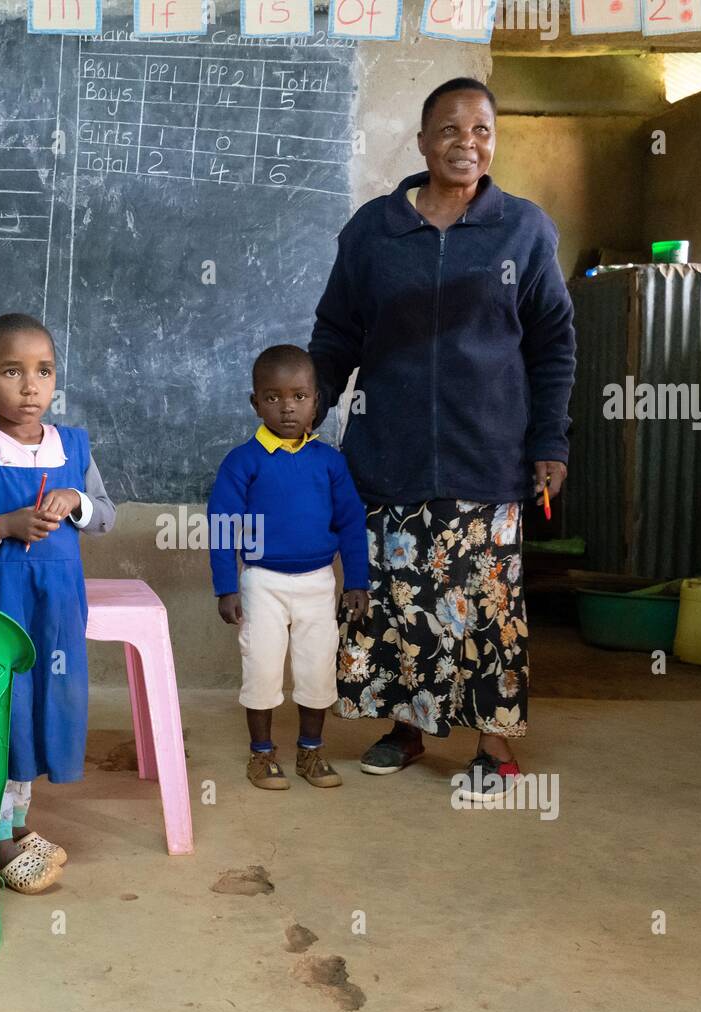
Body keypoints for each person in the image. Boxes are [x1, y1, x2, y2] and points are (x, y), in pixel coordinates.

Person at [308, 77, 576, 800]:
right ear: (423, 141)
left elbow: (554, 343)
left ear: (494, 142)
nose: (468, 143)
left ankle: (495, 747)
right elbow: (336, 333)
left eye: (483, 130)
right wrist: (309, 408)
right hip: (388, 452)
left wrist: (550, 442)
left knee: (487, 610)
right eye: (451, 130)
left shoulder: (523, 229)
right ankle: (406, 728)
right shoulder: (374, 231)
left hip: (489, 456)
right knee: (396, 603)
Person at [0, 313, 114, 891]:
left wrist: (77, 500)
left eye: (43, 371)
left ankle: (15, 825)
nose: (30, 386)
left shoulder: (74, 446)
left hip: (55, 610)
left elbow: (106, 516)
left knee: (40, 712)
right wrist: (4, 525)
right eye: (12, 372)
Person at [207, 345, 369, 790]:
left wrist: (356, 580)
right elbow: (222, 525)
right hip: (261, 582)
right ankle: (261, 756)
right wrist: (226, 586)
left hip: (319, 582)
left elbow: (353, 523)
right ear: (255, 402)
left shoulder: (330, 463)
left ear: (317, 400)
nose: (287, 407)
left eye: (299, 396)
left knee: (317, 668)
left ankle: (311, 753)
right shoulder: (244, 462)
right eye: (273, 397)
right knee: (261, 666)